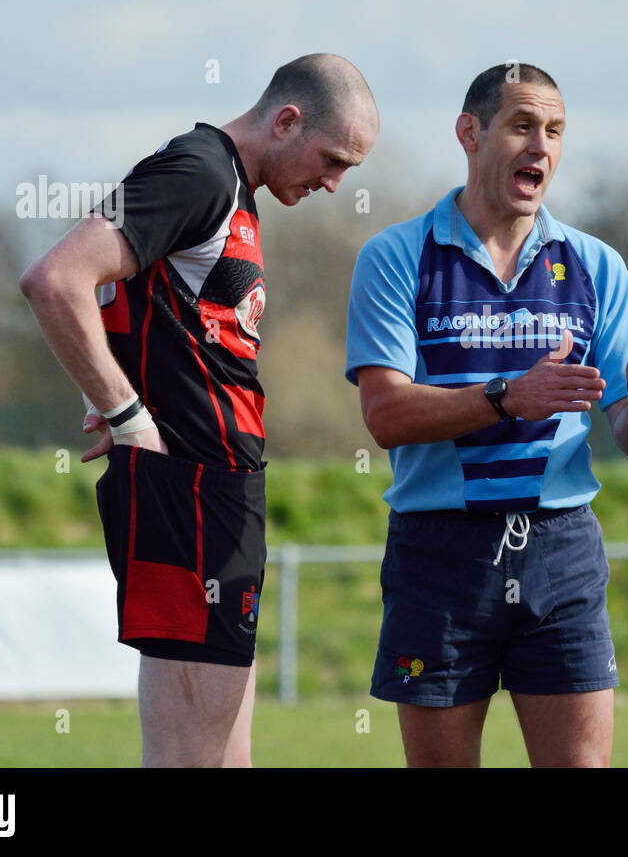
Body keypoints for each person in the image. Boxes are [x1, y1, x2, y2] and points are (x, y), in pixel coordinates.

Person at [19, 53, 378, 766]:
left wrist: (113, 389)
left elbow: (152, 315)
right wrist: (127, 414)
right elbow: (55, 279)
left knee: (222, 756)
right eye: (333, 159)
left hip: (218, 495)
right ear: (286, 120)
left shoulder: (229, 187)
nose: (335, 183)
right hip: (188, 493)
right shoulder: (202, 172)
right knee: (190, 761)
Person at [345, 63, 628, 767]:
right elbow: (384, 414)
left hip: (561, 552)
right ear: (470, 134)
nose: (541, 146)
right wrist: (507, 396)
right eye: (522, 126)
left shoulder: (597, 265)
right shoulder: (396, 257)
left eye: (555, 131)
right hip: (438, 555)